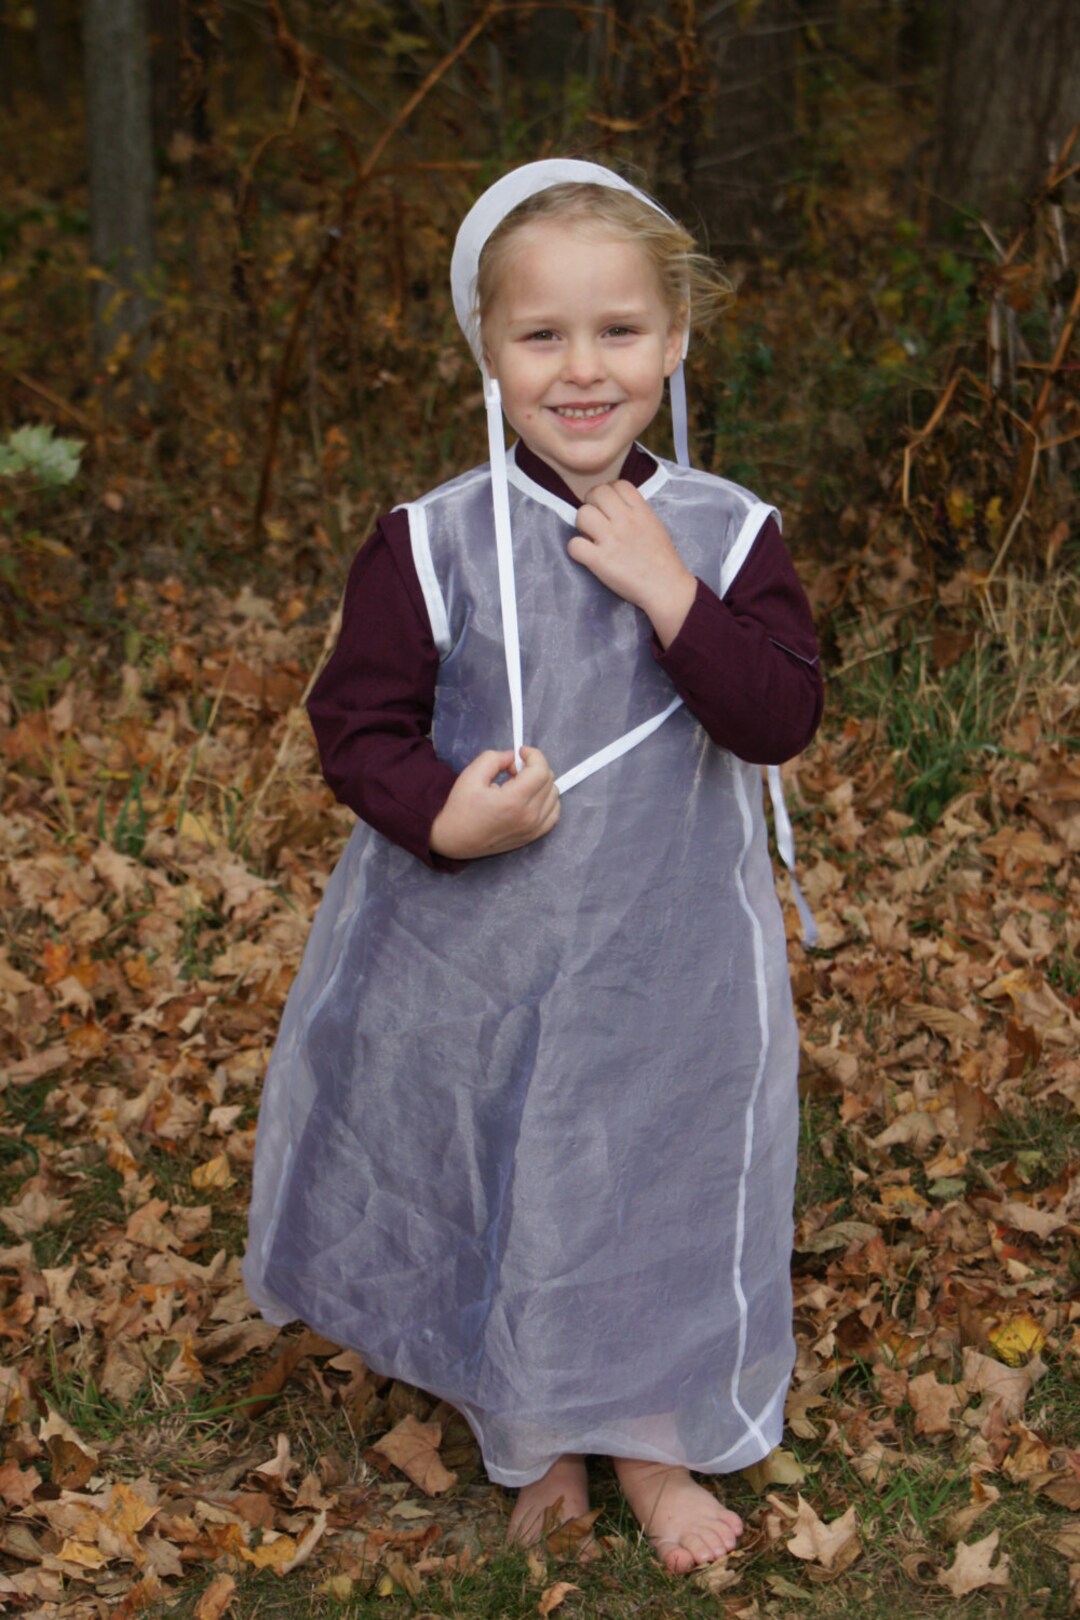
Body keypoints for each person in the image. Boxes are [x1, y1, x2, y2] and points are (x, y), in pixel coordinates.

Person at [244, 158, 823, 1574]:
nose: (582, 370)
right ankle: (536, 1431)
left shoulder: (726, 532)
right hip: (481, 953)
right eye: (541, 336)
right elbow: (357, 723)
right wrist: (443, 814)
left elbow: (780, 712)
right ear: (486, 349)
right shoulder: (429, 542)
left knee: (660, 1169)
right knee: (517, 1171)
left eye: (619, 331)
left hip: (670, 951)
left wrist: (668, 591)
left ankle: (650, 1435)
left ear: (674, 341)